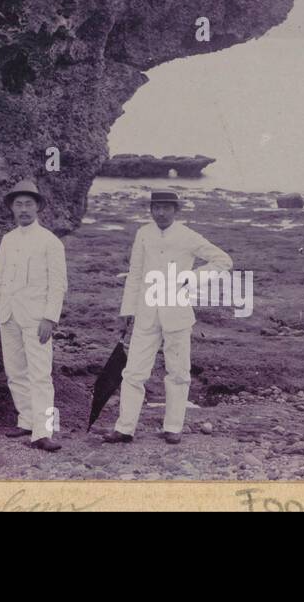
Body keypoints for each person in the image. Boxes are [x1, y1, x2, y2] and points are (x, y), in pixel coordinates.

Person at [106, 190, 233, 445]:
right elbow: (134, 273)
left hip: (177, 312)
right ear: (151, 209)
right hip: (146, 313)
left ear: (176, 210)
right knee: (133, 372)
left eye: (166, 208)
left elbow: (223, 261)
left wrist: (192, 278)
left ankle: (173, 427)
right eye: (156, 207)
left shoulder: (187, 235)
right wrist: (127, 311)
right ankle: (125, 428)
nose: (160, 213)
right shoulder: (143, 234)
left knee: (178, 372)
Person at [0, 179, 67, 452]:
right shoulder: (8, 240)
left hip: (36, 318)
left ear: (38, 207)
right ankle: (26, 420)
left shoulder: (50, 242)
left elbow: (58, 284)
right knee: (15, 371)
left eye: (28, 204)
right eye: (18, 204)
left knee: (40, 374)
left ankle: (43, 432)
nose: (23, 209)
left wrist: (50, 318)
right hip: (8, 315)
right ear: (12, 209)